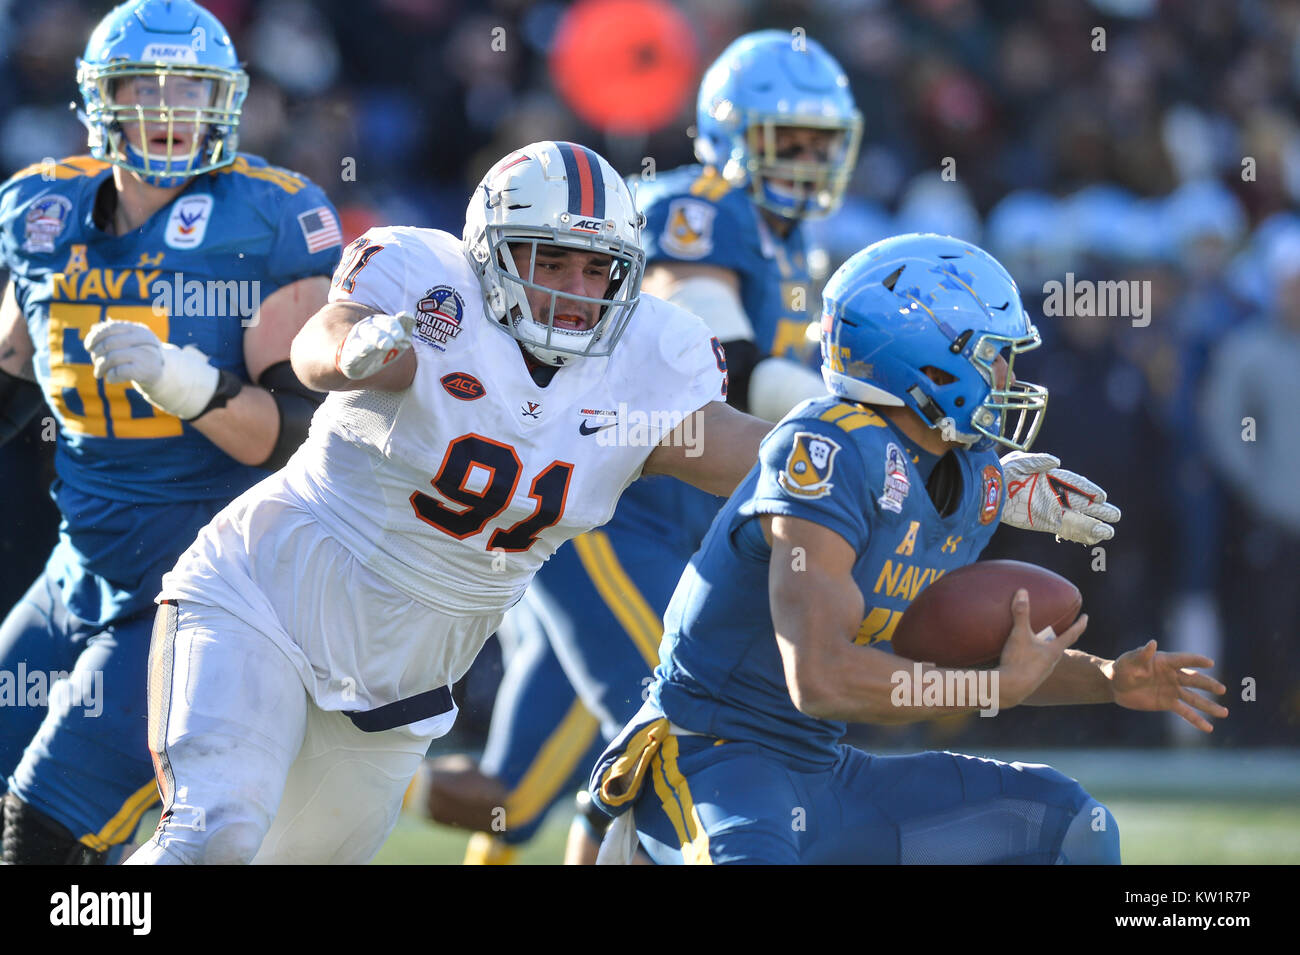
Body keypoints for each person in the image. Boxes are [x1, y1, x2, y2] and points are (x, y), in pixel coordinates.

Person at [422, 30, 1121, 865]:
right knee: (659, 731)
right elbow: (737, 371)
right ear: (727, 133)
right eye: (784, 139)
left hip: (703, 525)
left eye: (821, 143)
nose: (804, 160)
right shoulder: (700, 209)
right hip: (621, 510)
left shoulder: (793, 245)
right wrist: (890, 413)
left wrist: (968, 474)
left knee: (522, 791)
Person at [124, 138, 776, 865]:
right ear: (489, 252)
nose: (576, 288)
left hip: (402, 680)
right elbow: (323, 341)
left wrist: (864, 455)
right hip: (265, 592)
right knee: (214, 836)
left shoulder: (648, 361)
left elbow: (767, 460)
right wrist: (351, 351)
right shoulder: (431, 289)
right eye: (549, 259)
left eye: (597, 268)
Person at [589, 233, 1228, 865]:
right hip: (711, 763)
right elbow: (821, 678)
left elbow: (978, 654)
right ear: (928, 356)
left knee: (1070, 825)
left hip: (821, 770)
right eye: (993, 354)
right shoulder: (827, 450)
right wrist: (988, 693)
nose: (1008, 374)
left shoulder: (971, 475)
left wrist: (1108, 681)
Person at [0, 0, 339, 864]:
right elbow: (8, 367)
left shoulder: (267, 217)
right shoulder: (42, 208)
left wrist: (180, 379)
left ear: (223, 98)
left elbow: (291, 436)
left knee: (44, 826)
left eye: (188, 85)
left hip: (199, 584)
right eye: (142, 84)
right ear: (97, 99)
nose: (164, 105)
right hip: (79, 565)